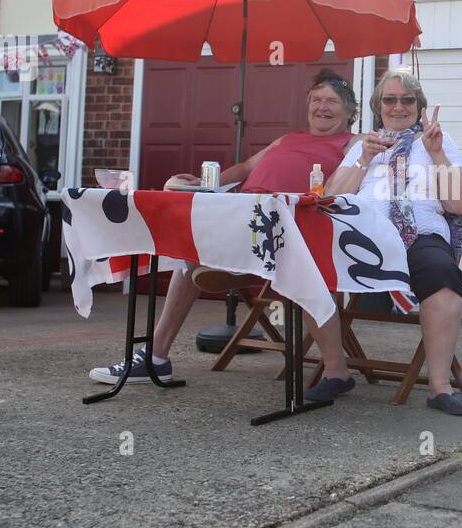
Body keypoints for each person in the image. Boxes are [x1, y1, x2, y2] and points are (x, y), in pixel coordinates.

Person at [88, 70, 362, 392]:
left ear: (349, 112)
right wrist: (208, 183)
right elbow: (246, 169)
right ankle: (156, 360)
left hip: (289, 230)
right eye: (316, 100)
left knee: (311, 270)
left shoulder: (352, 143)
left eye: (332, 101)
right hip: (241, 218)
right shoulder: (288, 139)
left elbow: (348, 186)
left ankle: (336, 371)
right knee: (187, 252)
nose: (322, 107)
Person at [325, 68, 462, 416]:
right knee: (310, 272)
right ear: (379, 106)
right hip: (362, 235)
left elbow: (460, 204)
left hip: (419, 236)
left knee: (443, 277)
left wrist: (437, 154)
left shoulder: (438, 139)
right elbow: (332, 196)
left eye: (407, 100)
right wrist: (363, 159)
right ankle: (336, 371)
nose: (398, 106)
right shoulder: (365, 145)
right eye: (389, 99)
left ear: (419, 106)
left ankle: (439, 388)